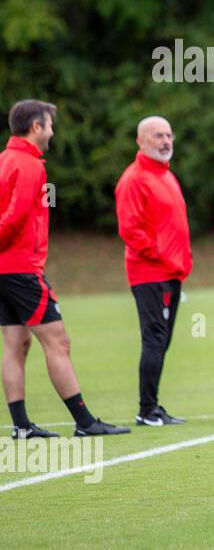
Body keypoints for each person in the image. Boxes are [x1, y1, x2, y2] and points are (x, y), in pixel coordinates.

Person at [1, 100, 128, 438]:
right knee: (59, 343)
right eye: (50, 125)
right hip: (20, 269)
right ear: (36, 127)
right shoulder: (29, 165)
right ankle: (85, 423)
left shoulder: (5, 160)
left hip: (6, 271)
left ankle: (21, 426)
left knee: (16, 344)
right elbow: (13, 218)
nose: (53, 132)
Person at [114, 116, 193, 427]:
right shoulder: (134, 179)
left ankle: (153, 406)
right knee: (154, 339)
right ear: (141, 141)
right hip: (150, 273)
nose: (165, 141)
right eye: (158, 136)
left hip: (171, 273)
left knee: (162, 340)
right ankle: (147, 409)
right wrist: (161, 257)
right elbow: (130, 230)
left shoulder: (166, 176)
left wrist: (180, 261)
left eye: (169, 135)